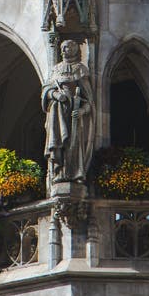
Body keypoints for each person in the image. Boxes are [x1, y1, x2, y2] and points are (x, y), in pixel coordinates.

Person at [42, 39, 95, 187]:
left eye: (70, 47)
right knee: (59, 143)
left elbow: (89, 100)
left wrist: (82, 110)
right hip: (58, 113)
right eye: (64, 47)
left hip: (74, 114)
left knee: (74, 142)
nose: (66, 50)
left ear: (76, 50)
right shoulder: (56, 69)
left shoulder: (80, 69)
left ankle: (76, 173)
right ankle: (59, 173)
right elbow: (46, 91)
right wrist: (55, 95)